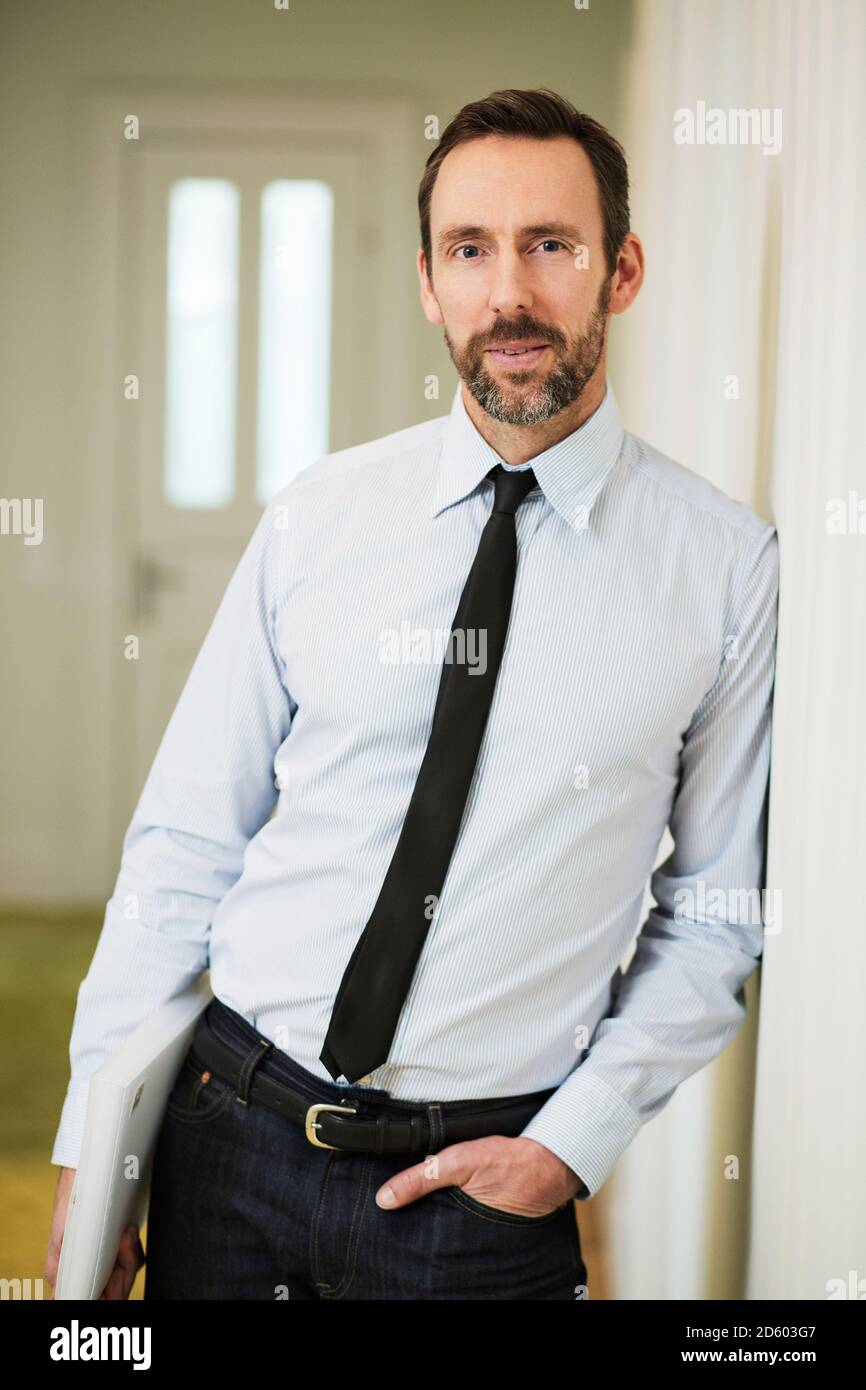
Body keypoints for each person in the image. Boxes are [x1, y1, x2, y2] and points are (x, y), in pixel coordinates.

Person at [45, 86, 779, 1301]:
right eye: (468, 250)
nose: (509, 295)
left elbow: (712, 911)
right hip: (228, 1135)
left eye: (550, 245)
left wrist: (566, 1144)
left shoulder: (722, 568)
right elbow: (185, 840)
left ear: (622, 269)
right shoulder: (319, 517)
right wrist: (97, 1141)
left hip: (480, 1201)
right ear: (428, 284)